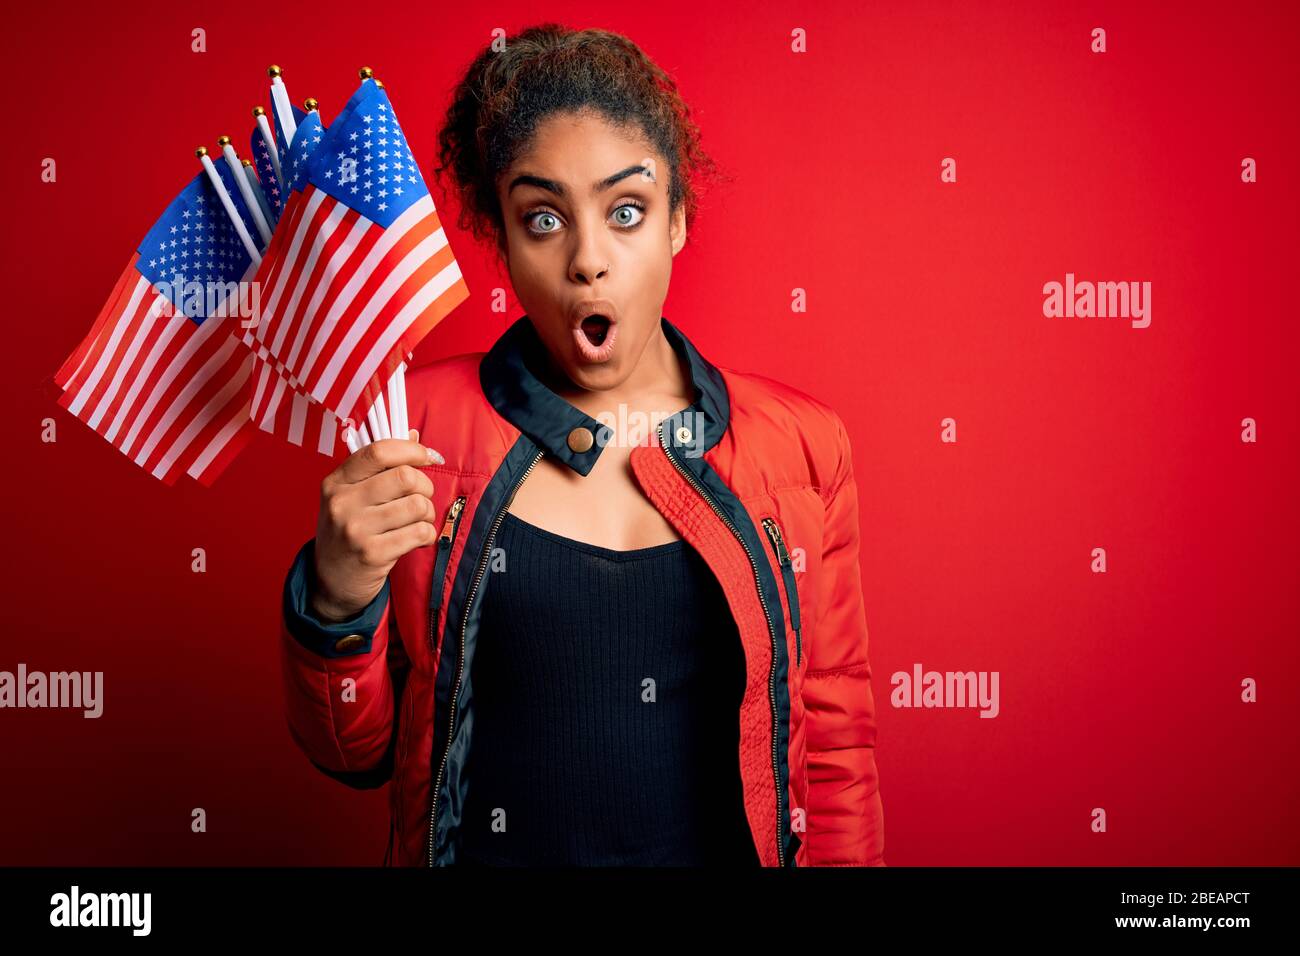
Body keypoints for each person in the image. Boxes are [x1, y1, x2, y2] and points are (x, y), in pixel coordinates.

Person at [278, 23, 885, 867]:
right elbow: (354, 753)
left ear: (677, 222)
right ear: (502, 241)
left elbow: (834, 750)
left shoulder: (803, 449)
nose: (587, 260)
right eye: (543, 219)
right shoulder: (409, 432)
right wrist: (336, 602)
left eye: (626, 211)